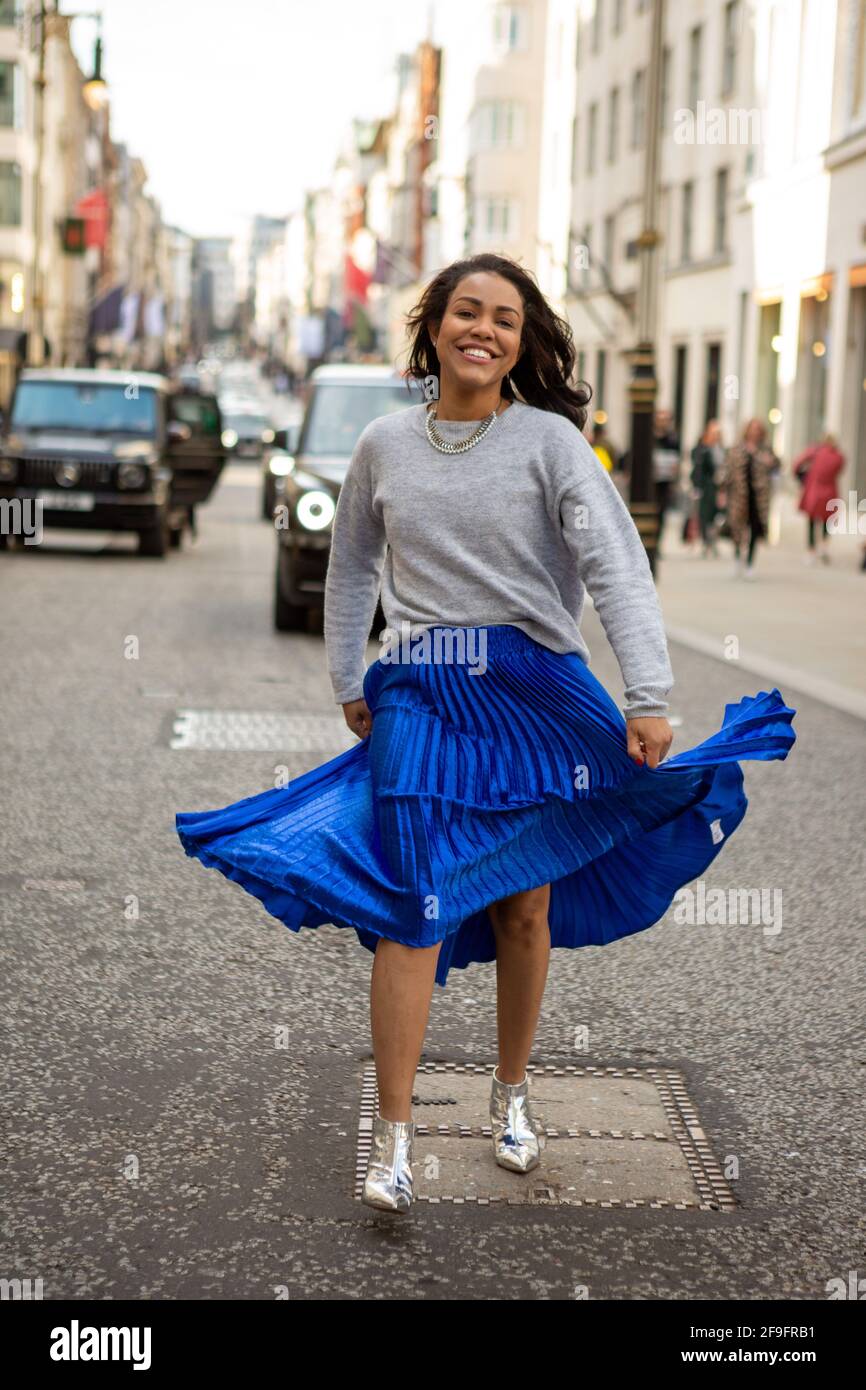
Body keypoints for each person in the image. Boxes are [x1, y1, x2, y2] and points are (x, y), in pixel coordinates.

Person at [175, 253, 796, 1215]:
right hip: (422, 689)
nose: (486, 329)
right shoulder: (384, 443)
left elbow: (618, 569)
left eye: (506, 318)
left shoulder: (550, 444)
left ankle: (509, 1095)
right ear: (434, 329)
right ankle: (393, 1142)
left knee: (524, 911)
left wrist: (649, 694)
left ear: (522, 339)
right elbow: (348, 572)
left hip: (537, 689)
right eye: (468, 311)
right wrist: (350, 678)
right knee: (410, 903)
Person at [724, 418, 779, 579]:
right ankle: (737, 559)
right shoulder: (737, 448)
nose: (754, 432)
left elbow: (777, 465)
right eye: (752, 429)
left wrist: (771, 462)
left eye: (758, 429)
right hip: (738, 495)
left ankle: (749, 563)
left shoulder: (766, 449)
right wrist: (721, 491)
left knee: (754, 529)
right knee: (737, 528)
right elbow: (727, 469)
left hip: (758, 497)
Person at [792, 434, 845, 565]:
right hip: (830, 490)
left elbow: (797, 464)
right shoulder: (839, 457)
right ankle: (824, 546)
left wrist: (801, 477)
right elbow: (839, 471)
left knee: (811, 520)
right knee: (827, 520)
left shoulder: (815, 451)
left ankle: (811, 551)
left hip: (814, 489)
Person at [690, 419, 725, 556]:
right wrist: (697, 487)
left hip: (719, 488)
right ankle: (707, 542)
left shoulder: (721, 449)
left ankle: (713, 540)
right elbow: (698, 470)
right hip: (706, 487)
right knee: (705, 515)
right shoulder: (701, 449)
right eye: (713, 433)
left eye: (718, 433)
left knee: (718, 515)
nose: (715, 436)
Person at [651, 408, 682, 552]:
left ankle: (656, 544)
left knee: (661, 514)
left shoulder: (673, 439)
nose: (662, 422)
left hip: (665, 482)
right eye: (660, 419)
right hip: (649, 483)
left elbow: (676, 461)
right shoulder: (649, 437)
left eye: (665, 420)